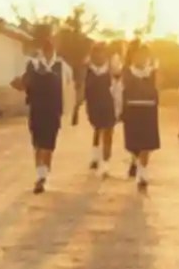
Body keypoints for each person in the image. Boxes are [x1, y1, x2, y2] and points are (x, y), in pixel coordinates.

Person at [9, 24, 75, 194]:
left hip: (53, 111)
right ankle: (40, 176)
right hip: (37, 110)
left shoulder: (63, 67)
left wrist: (69, 110)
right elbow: (23, 84)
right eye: (46, 47)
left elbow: (69, 88)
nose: (48, 50)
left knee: (48, 145)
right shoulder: (32, 65)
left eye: (51, 47)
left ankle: (43, 174)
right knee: (39, 144)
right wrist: (19, 83)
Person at [120, 40, 161, 192]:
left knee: (147, 145)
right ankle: (135, 162)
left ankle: (142, 174)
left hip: (148, 109)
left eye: (145, 55)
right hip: (132, 109)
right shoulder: (127, 72)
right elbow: (121, 90)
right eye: (139, 55)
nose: (142, 59)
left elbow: (157, 89)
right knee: (134, 145)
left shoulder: (152, 72)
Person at [81, 42, 119, 177]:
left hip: (109, 104)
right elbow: (83, 87)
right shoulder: (88, 68)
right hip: (94, 104)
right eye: (96, 53)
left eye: (101, 52)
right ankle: (95, 157)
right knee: (97, 130)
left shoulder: (111, 68)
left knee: (108, 133)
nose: (99, 55)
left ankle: (106, 164)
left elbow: (118, 85)